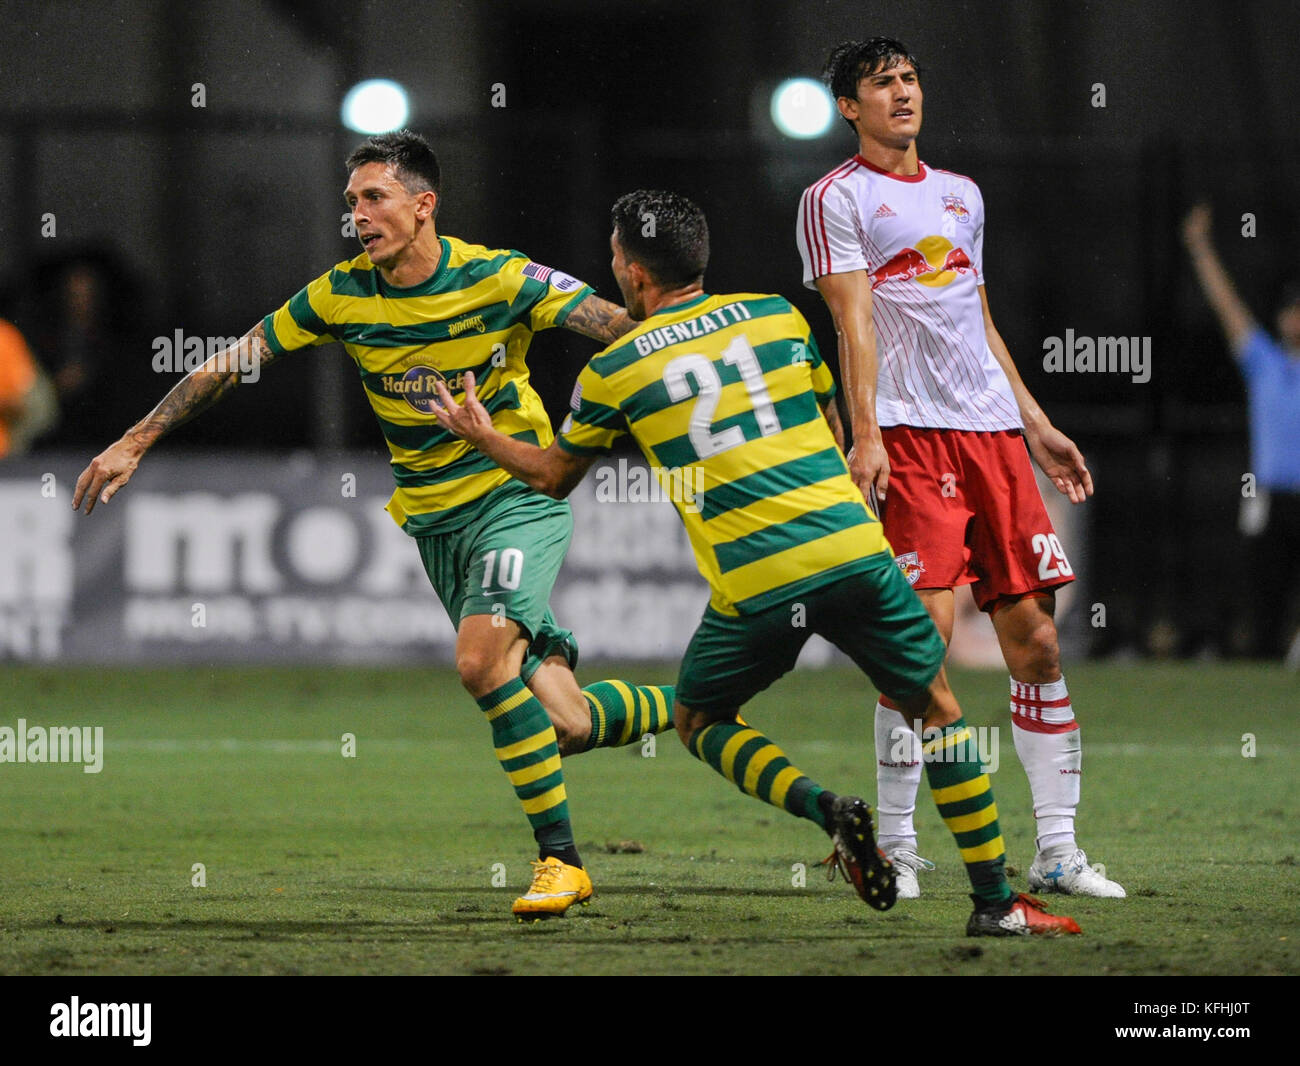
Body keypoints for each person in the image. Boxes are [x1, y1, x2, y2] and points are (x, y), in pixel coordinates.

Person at [433, 188, 1081, 936]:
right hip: (852, 549)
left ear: (635, 275)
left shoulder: (613, 371)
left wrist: (479, 434)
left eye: (615, 257)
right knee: (937, 710)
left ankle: (826, 809)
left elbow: (551, 476)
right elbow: (834, 425)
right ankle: (996, 903)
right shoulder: (778, 314)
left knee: (699, 716)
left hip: (758, 579)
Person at [73, 130, 677, 921]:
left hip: (514, 497)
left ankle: (562, 864)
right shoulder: (339, 294)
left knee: (478, 661)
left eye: (373, 198)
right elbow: (234, 359)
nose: (356, 215)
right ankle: (703, 703)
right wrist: (135, 437)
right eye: (351, 202)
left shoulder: (500, 277)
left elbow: (621, 330)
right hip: (433, 523)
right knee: (564, 718)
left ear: (423, 206)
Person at [796, 38, 1124, 899]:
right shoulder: (835, 198)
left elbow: (977, 317)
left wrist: (1038, 424)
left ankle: (1057, 848)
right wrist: (865, 434)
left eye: (908, 78)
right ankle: (898, 848)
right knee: (922, 643)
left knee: (1040, 644)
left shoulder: (962, 194)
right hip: (908, 435)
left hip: (991, 439)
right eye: (881, 83)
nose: (902, 93)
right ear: (849, 108)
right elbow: (853, 324)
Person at [1182, 203, 1300, 661]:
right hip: (1270, 499)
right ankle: (1262, 673)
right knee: (1265, 597)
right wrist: (1200, 247)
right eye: (1291, 311)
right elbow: (1226, 305)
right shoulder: (1264, 361)